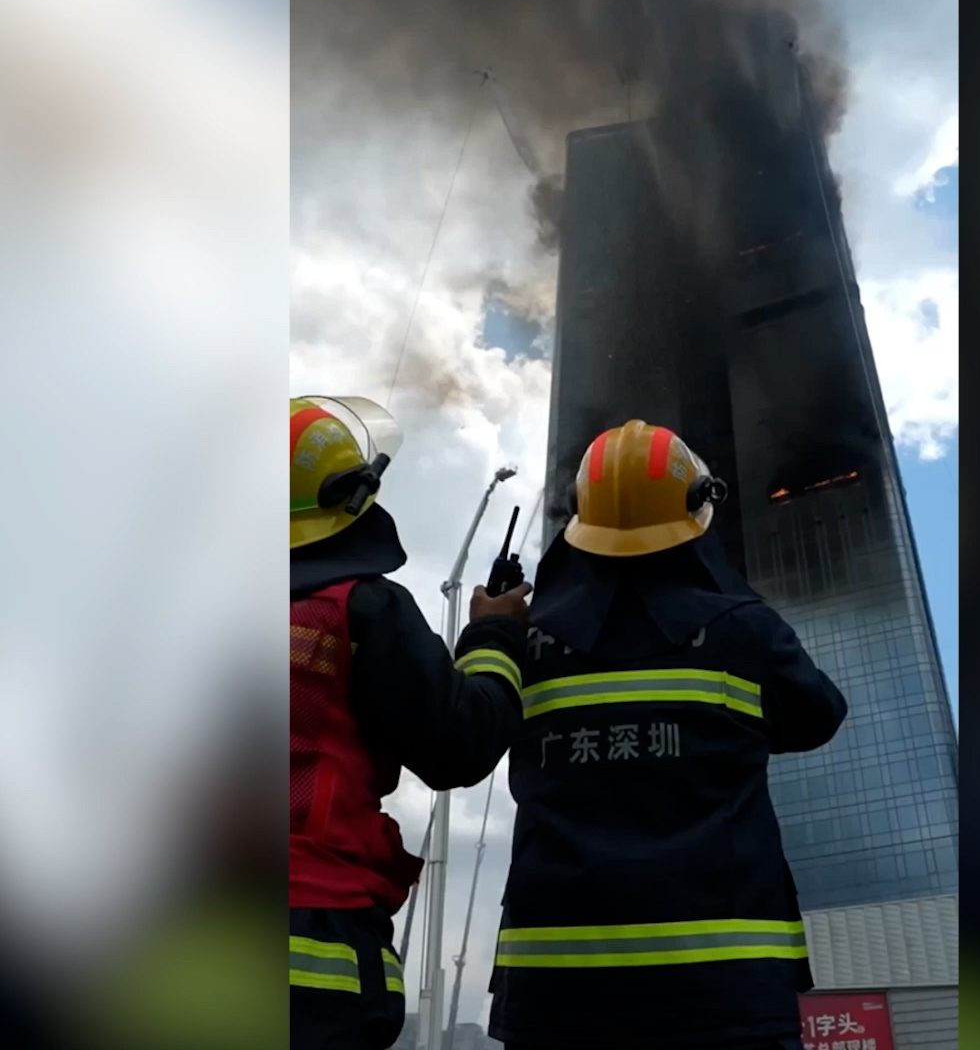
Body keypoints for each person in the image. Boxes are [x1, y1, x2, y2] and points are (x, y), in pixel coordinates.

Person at [489, 419, 848, 1050]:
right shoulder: (742, 628)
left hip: (557, 993)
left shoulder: (524, 639)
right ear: (696, 512)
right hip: (726, 991)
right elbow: (818, 714)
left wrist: (491, 632)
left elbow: (469, 725)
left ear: (583, 518)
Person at [289, 396, 530, 1050]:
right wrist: (494, 637)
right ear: (348, 495)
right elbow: (459, 744)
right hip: (310, 948)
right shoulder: (361, 609)